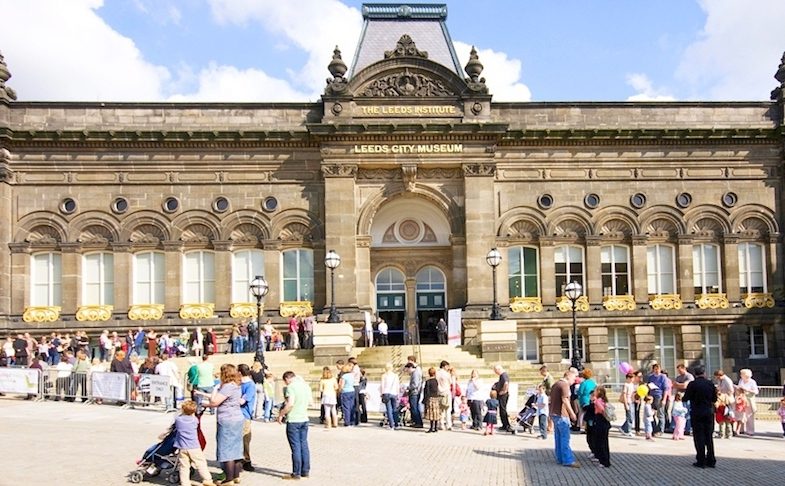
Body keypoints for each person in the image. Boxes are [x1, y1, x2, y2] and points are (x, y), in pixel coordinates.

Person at [198, 364, 244, 484]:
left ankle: (229, 479)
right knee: (236, 448)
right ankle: (236, 475)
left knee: (226, 449)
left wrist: (214, 390)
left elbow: (215, 402)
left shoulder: (228, 386)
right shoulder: (236, 385)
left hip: (228, 420)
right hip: (237, 418)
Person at [278, 370, 311, 480]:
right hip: (304, 418)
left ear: (287, 379)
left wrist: (281, 414)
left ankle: (296, 472)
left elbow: (290, 404)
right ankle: (305, 470)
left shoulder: (291, 387)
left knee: (295, 447)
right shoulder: (305, 386)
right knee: (304, 445)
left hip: (294, 419)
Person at [173, 400, 215, 486]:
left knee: (184, 466)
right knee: (201, 463)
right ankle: (207, 479)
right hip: (194, 447)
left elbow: (177, 418)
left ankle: (185, 483)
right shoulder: (194, 420)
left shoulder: (178, 420)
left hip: (183, 447)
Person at [683, 365, 717, 469]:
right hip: (708, 411)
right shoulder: (710, 383)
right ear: (704, 373)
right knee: (709, 436)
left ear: (695, 374)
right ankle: (711, 460)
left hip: (697, 412)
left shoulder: (692, 384)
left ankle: (701, 460)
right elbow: (714, 399)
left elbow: (686, 398)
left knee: (699, 437)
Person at [549, 368, 579, 468]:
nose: (574, 381)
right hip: (562, 414)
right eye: (574, 378)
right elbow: (565, 400)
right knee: (565, 438)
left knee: (558, 438)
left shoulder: (556, 384)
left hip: (554, 414)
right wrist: (572, 413)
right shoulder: (564, 385)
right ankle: (568, 460)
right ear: (568, 376)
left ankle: (560, 458)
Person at [237, 364, 256, 472]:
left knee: (245, 439)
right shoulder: (239, 383)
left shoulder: (250, 385)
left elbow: (243, 400)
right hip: (237, 414)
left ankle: (246, 460)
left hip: (244, 414)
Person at [672, 364, 694, 434]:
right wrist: (679, 385)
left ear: (684, 368)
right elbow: (674, 385)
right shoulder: (678, 377)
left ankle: (688, 429)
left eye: (680, 370)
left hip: (687, 397)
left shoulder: (689, 376)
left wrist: (678, 385)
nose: (679, 372)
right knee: (678, 413)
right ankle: (679, 428)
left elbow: (685, 386)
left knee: (687, 413)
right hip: (679, 398)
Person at [736, 368, 759, 436]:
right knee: (741, 414)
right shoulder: (741, 380)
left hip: (749, 400)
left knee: (749, 416)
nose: (740, 375)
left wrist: (747, 390)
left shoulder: (752, 382)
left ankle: (750, 431)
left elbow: (756, 391)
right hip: (742, 399)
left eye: (741, 374)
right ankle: (741, 429)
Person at [647, 363, 667, 435]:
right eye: (655, 369)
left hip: (659, 395)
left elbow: (665, 389)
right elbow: (648, 386)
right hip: (652, 396)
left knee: (660, 413)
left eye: (658, 369)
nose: (657, 370)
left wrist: (664, 399)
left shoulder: (663, 377)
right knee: (651, 413)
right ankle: (654, 429)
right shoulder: (650, 377)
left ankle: (660, 430)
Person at [493, 364, 512, 433]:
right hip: (502, 395)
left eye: (495, 371)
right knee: (501, 410)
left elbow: (506, 383)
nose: (495, 372)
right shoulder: (502, 375)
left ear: (498, 369)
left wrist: (504, 391)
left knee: (503, 410)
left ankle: (507, 425)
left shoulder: (503, 375)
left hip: (503, 395)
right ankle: (504, 424)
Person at [406, 356, 423, 428]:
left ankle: (418, 422)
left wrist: (409, 388)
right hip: (416, 391)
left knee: (414, 407)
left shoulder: (416, 371)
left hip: (414, 392)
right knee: (414, 407)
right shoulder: (416, 370)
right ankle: (415, 421)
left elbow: (415, 384)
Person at [381, 363, 400, 429]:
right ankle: (396, 424)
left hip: (386, 392)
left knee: (389, 409)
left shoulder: (384, 376)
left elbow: (382, 385)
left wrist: (382, 394)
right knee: (395, 409)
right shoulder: (395, 376)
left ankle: (391, 425)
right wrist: (398, 394)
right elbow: (397, 385)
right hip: (394, 393)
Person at [423, 367, 440, 433]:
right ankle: (435, 427)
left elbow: (426, 391)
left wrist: (425, 399)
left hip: (430, 398)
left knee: (431, 413)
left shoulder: (428, 381)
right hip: (436, 398)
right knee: (436, 413)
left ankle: (431, 427)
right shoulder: (436, 381)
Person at [619, 372, 636, 437]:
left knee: (631, 417)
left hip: (632, 401)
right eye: (631, 378)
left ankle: (623, 428)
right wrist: (626, 404)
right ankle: (628, 430)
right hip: (628, 402)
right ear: (628, 378)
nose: (632, 379)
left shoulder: (632, 384)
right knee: (629, 417)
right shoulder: (626, 385)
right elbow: (624, 394)